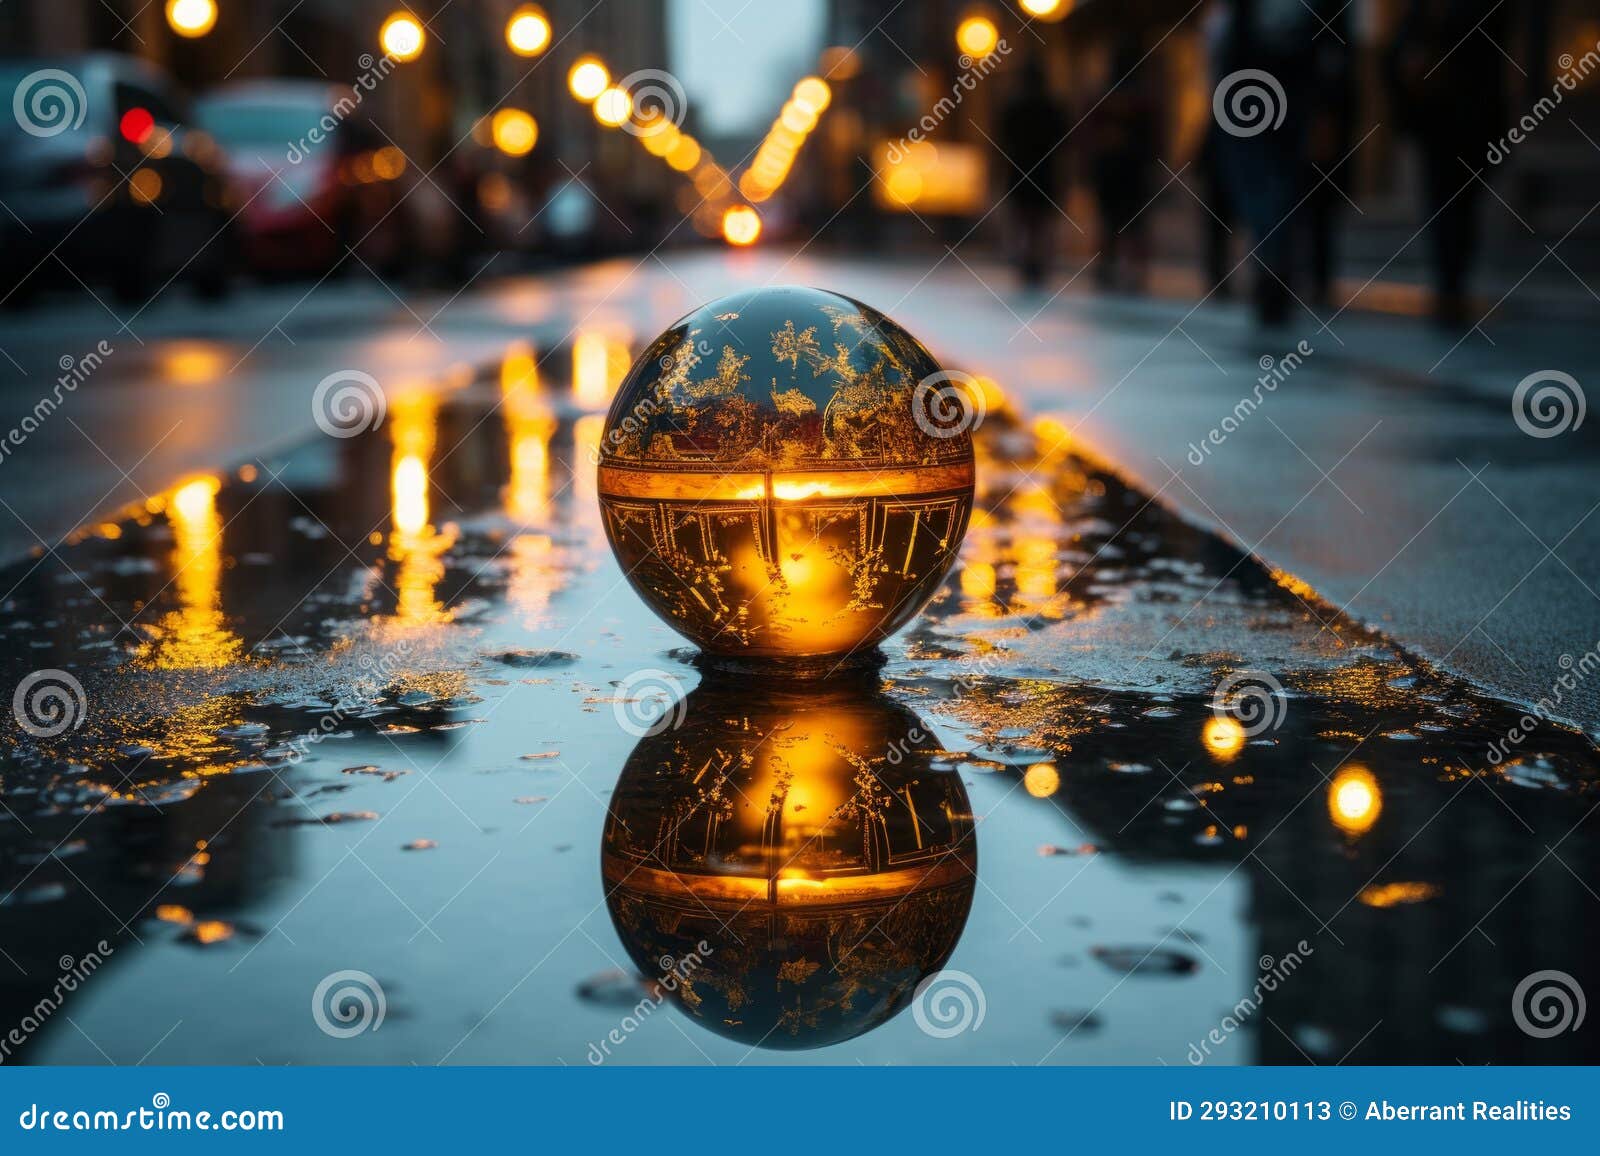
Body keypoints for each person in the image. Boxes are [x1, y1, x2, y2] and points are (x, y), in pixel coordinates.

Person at [1386, 0, 1508, 326]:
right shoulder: (1424, 12)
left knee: (1459, 205)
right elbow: (1397, 55)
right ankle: (1449, 283)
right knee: (1445, 205)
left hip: (1470, 123)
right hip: (1438, 124)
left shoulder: (1474, 13)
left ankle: (1453, 281)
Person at [1087, 33, 1160, 293]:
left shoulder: (1103, 98)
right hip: (1131, 170)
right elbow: (1154, 138)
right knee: (1132, 222)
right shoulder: (1143, 99)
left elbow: (1090, 137)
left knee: (1111, 221)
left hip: (1113, 170)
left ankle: (1109, 267)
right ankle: (1131, 271)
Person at [998, 55, 1068, 290]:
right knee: (1041, 221)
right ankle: (1038, 261)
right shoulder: (1051, 105)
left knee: (1024, 219)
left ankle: (1025, 258)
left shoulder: (1013, 105)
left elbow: (1002, 140)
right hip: (1044, 168)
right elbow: (1063, 140)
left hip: (1020, 167)